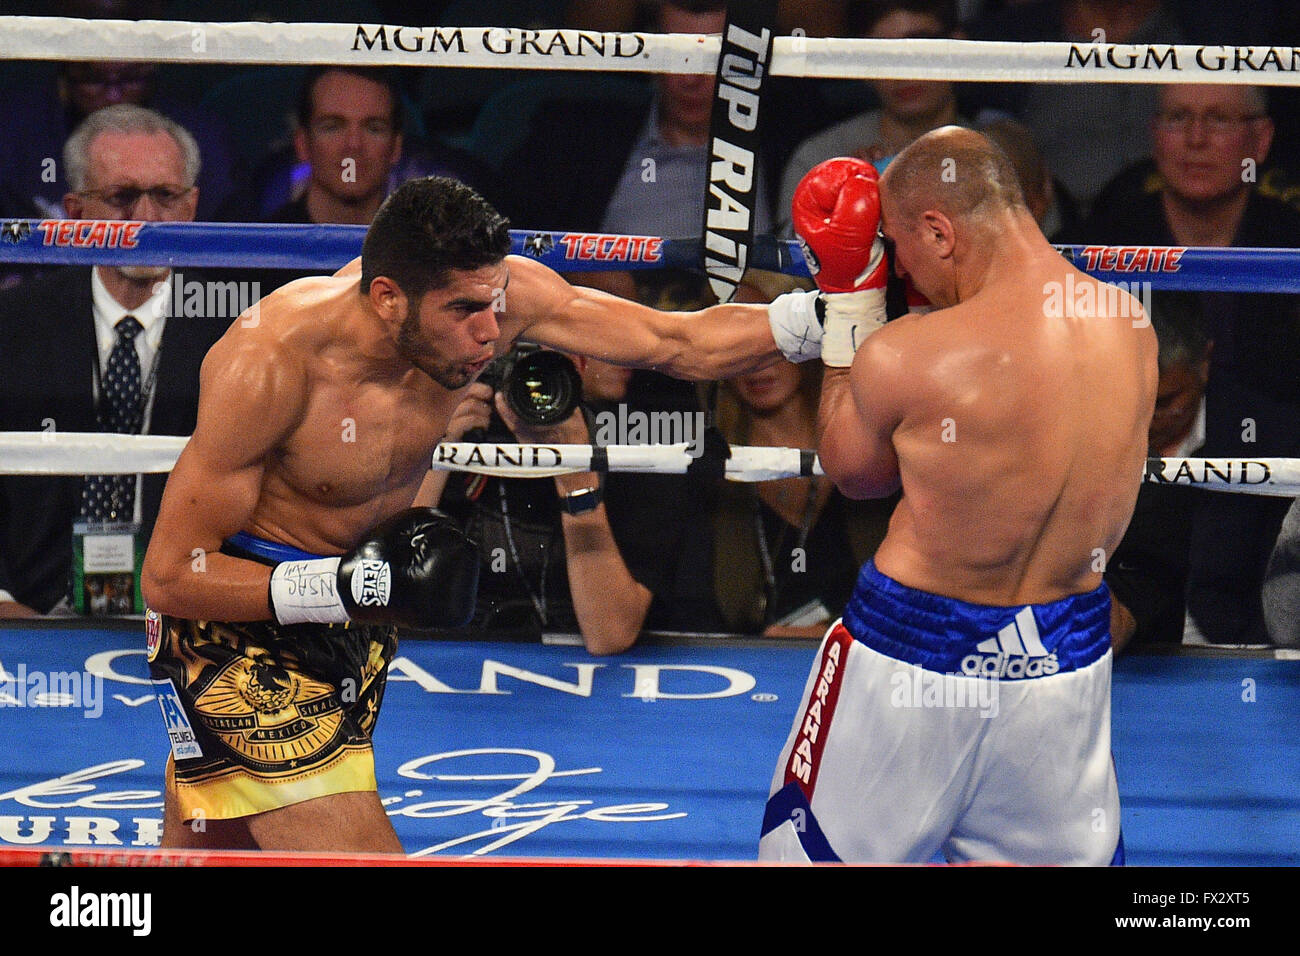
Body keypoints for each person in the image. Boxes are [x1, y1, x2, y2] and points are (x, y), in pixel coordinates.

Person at [140, 174, 820, 854]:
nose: (492, 334)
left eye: (495, 305)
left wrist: (824, 319)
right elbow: (170, 576)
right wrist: (340, 585)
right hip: (237, 638)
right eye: (465, 310)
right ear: (387, 299)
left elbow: (680, 343)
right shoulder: (271, 363)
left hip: (353, 626)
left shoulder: (498, 299)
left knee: (209, 849)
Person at [757, 132, 1158, 865]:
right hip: (1061, 659)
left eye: (905, 256)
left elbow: (854, 473)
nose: (906, 278)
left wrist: (851, 308)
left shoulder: (912, 352)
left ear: (938, 231)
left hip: (911, 650)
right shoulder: (1132, 330)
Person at [1076, 82, 1300, 645]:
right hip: (1119, 594)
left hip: (1268, 511)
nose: (1196, 141)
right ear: (1154, 133)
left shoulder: (1293, 240)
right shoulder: (1100, 240)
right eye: (1178, 118)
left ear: (1262, 139)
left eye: (1219, 121)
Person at [0, 104, 231, 618]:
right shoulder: (13, 325)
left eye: (166, 196)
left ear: (191, 206)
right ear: (76, 213)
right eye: (123, 196)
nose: (147, 218)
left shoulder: (240, 330)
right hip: (32, 614)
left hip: (187, 613)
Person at [426, 351, 715, 653]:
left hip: (597, 680)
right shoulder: (465, 432)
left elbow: (609, 634)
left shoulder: (638, 456)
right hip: (455, 660)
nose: (626, 354)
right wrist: (436, 447)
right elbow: (389, 596)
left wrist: (576, 473)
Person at [710, 270, 895, 638]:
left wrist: (830, 633)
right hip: (745, 668)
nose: (756, 363)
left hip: (863, 657)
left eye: (769, 337)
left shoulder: (872, 440)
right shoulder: (707, 459)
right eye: (737, 342)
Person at [776, 0, 970, 236]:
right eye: (882, 55)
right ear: (862, 66)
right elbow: (785, 261)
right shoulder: (821, 158)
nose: (903, 71)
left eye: (919, 47)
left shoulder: (995, 144)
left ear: (959, 47)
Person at [1105, 293, 1211, 652]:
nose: (1149, 416)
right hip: (1141, 658)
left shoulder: (1264, 435)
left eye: (1165, 401)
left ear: (1205, 365)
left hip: (1244, 652)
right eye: (1137, 396)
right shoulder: (1091, 448)